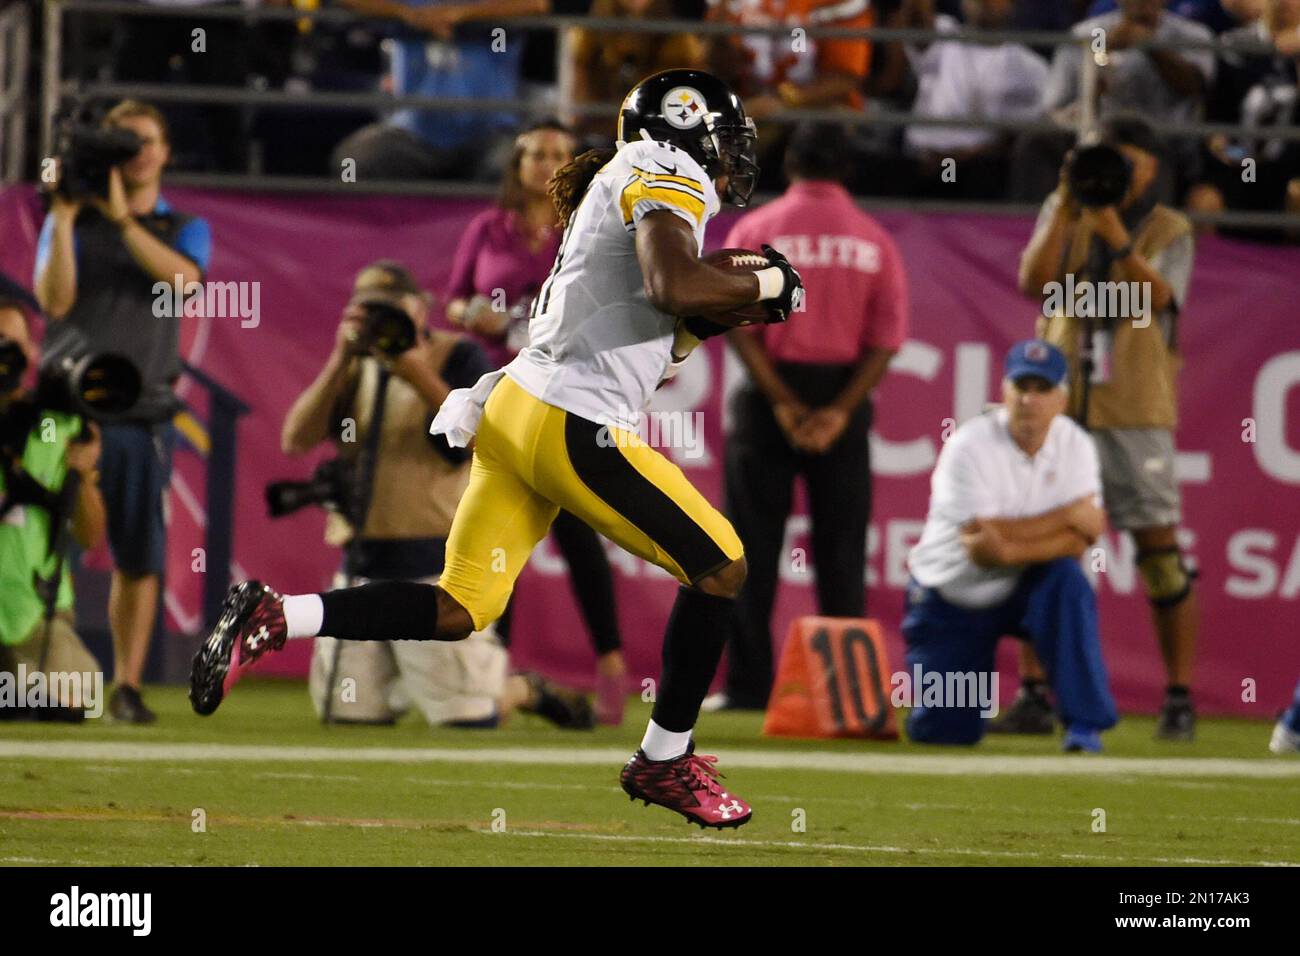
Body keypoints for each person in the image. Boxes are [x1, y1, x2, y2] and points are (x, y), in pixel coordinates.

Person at [191, 69, 804, 830]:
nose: (729, 155)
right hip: (569, 419)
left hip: (521, 407)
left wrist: (738, 300)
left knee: (460, 608)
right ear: (687, 128)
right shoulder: (666, 170)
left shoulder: (629, 178)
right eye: (721, 135)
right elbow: (675, 286)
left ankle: (280, 615)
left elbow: (660, 319)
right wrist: (759, 285)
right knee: (722, 565)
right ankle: (665, 759)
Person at [284, 260, 591, 729]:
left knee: (467, 717)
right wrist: (340, 358)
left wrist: (413, 371)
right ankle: (431, 682)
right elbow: (295, 439)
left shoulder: (458, 356)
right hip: (362, 564)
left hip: (432, 563)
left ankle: (520, 689)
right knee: (349, 716)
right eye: (371, 311)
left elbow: (480, 439)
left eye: (392, 310)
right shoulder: (355, 368)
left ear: (421, 309)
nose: (383, 321)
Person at [706, 122, 907, 712]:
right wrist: (840, 411)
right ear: (846, 170)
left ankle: (746, 687)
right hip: (842, 393)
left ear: (789, 165)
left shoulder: (756, 229)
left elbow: (735, 321)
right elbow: (886, 340)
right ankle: (844, 692)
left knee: (749, 547)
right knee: (841, 549)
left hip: (770, 397)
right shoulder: (874, 240)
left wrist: (783, 403)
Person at [1017, 115, 1201, 741]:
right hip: (1061, 404)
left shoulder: (1170, 228)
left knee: (1161, 558)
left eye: (1123, 163)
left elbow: (1153, 298)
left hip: (1134, 407)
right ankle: (1035, 692)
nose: (1112, 176)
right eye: (1102, 162)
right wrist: (1069, 209)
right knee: (1044, 546)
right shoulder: (1064, 209)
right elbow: (1032, 283)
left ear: (1149, 167)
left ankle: (1178, 697)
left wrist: (1114, 233)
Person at [445, 121, 630, 724]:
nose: (546, 162)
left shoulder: (591, 225)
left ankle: (610, 666)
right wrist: (477, 314)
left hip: (568, 393)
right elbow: (452, 299)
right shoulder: (486, 229)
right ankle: (494, 672)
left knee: (580, 533)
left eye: (559, 153)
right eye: (535, 154)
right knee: (499, 536)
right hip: (503, 398)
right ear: (516, 163)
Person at [33, 99, 212, 723]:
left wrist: (122, 221)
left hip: (141, 409)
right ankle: (28, 661)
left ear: (164, 152)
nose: (135, 151)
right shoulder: (74, 222)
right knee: (34, 534)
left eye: (145, 140)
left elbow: (185, 283)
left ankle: (127, 686)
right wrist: (62, 216)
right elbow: (53, 300)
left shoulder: (182, 225)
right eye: (122, 141)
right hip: (64, 405)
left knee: (140, 552)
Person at [904, 340, 1117, 750]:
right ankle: (947, 712)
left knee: (1068, 583)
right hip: (953, 597)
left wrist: (1009, 544)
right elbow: (983, 551)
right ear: (1004, 391)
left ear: (1061, 399)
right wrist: (1065, 517)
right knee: (945, 734)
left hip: (1023, 589)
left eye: (1041, 389)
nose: (1029, 399)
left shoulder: (1077, 445)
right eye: (1021, 387)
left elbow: (1080, 541)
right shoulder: (970, 444)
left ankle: (1084, 728)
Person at [0, 283, 107, 719]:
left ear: (30, 352)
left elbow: (90, 533)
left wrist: (81, 475)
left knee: (78, 697)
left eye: (11, 344)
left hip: (36, 610)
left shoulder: (57, 425)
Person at [1011, 0, 1216, 202]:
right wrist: (1096, 78)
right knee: (1038, 141)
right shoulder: (1095, 32)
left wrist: (1151, 46)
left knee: (1145, 150)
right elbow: (1057, 101)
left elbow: (1193, 87)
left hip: (1160, 140)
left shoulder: (1191, 34)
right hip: (1094, 133)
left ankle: (1145, 233)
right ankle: (1029, 228)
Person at [330, 0, 550, 181]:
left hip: (490, 134)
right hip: (412, 134)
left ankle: (488, 233)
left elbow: (537, 4)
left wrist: (460, 14)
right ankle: (395, 233)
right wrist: (406, 14)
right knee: (352, 161)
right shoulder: (411, 4)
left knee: (513, 166)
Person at [1187, 0, 1300, 241]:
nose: (1286, 2)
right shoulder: (1233, 44)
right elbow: (1214, 112)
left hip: (1289, 167)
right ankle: (1207, 277)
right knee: (1203, 203)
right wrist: (1220, 144)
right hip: (1237, 162)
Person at [567, 0, 706, 141]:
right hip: (602, 130)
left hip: (660, 132)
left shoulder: (680, 41)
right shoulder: (590, 34)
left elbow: (691, 92)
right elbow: (581, 92)